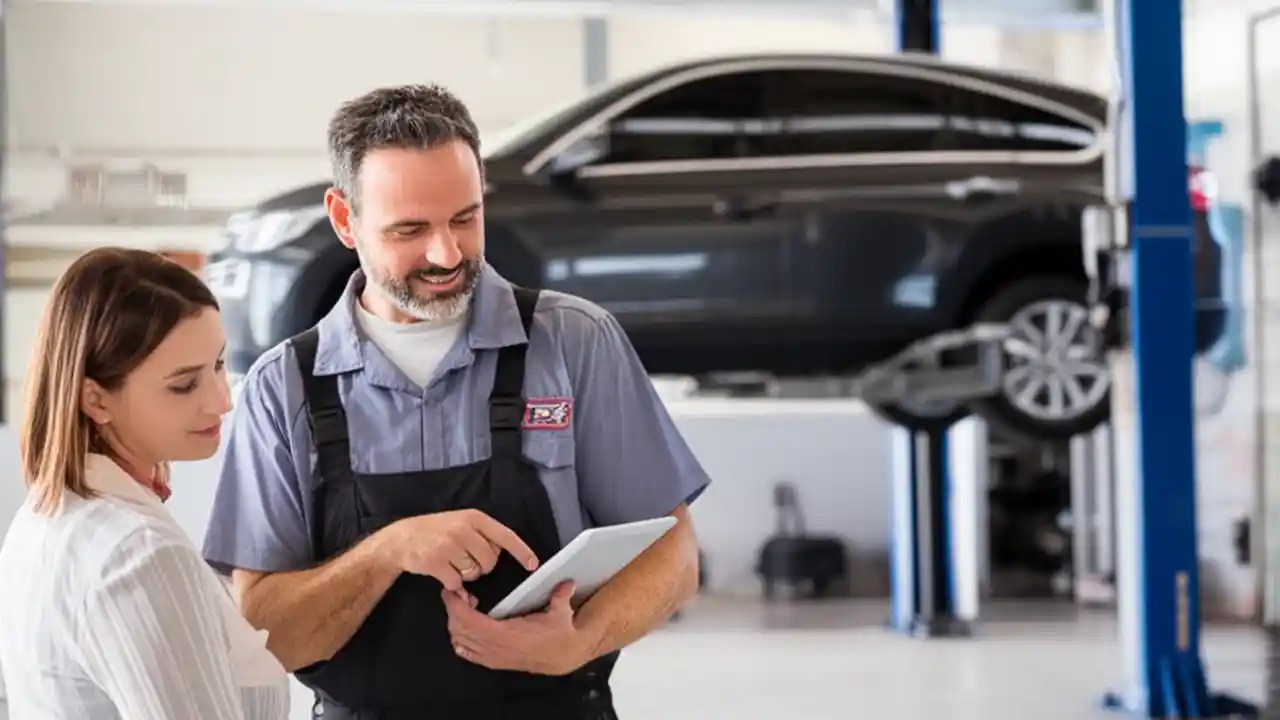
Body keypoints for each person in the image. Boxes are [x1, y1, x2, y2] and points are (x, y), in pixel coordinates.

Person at [202, 84, 713, 719]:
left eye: (464, 219)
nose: (446, 254)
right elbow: (267, 635)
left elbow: (674, 557)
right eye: (410, 229)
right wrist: (391, 549)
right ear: (344, 220)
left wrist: (578, 641)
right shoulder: (284, 390)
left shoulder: (575, 344)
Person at [0, 248, 291, 719]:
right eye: (183, 385)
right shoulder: (140, 554)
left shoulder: (43, 517)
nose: (222, 402)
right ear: (95, 398)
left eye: (219, 365)